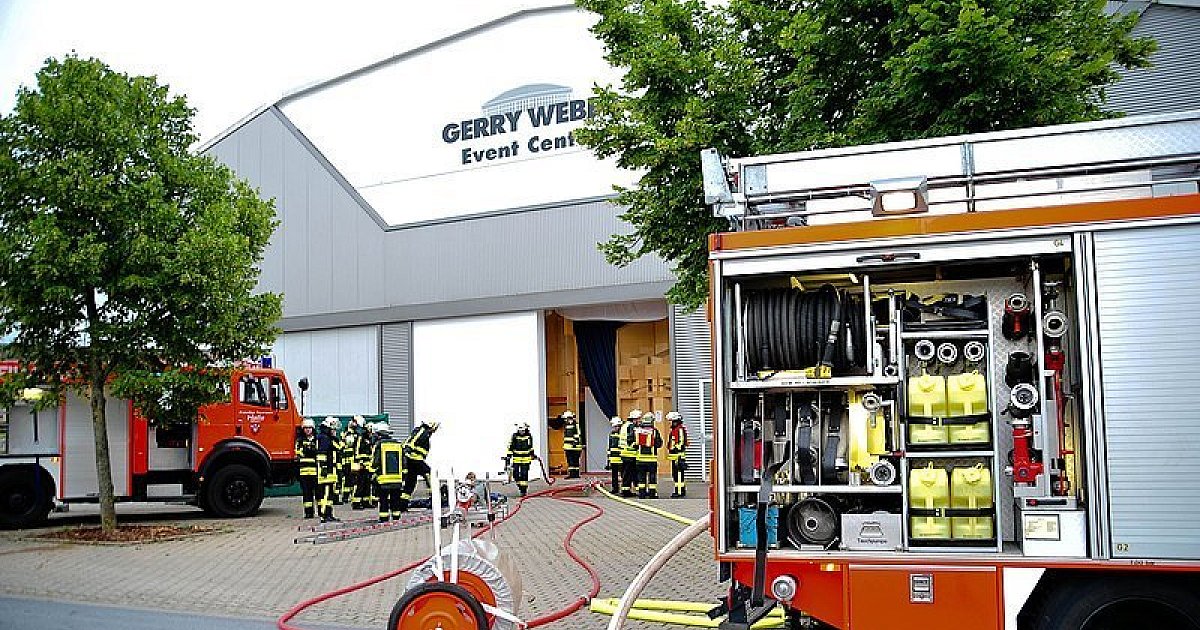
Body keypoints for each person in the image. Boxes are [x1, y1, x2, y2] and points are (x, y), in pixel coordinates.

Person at [399, 419, 439, 511]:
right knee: (429, 474)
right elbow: (410, 443)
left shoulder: (424, 433)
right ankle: (434, 498)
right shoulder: (421, 431)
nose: (435, 430)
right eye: (434, 428)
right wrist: (407, 453)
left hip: (413, 460)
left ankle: (402, 505)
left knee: (410, 482)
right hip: (414, 459)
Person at [370, 424, 405, 522]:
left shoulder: (379, 445)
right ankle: (396, 517)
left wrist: (371, 471)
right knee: (395, 499)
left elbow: (375, 461)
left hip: (383, 479)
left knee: (384, 500)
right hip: (397, 479)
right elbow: (403, 461)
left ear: (379, 434)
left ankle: (384, 518)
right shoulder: (398, 444)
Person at [316, 417, 341, 522]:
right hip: (326, 472)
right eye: (333, 429)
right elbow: (322, 454)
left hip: (330, 471)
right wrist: (325, 468)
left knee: (329, 494)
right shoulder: (324, 438)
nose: (334, 431)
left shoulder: (326, 437)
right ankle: (324, 515)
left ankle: (329, 514)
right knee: (326, 494)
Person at [634, 412, 663, 499]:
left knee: (641, 478)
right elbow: (659, 444)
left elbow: (632, 443)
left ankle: (642, 494)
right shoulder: (654, 432)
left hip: (640, 460)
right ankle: (652, 494)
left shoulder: (637, 431)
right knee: (652, 477)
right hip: (651, 460)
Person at [295, 418, 319, 518]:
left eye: (309, 428)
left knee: (318, 493)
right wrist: (308, 451)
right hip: (304, 472)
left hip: (315, 471)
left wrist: (310, 451)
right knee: (306, 493)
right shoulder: (300, 441)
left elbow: (318, 452)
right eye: (306, 428)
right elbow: (298, 453)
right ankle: (308, 512)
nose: (308, 430)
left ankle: (321, 511)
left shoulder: (317, 440)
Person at [352, 419, 375, 509]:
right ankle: (356, 503)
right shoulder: (361, 438)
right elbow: (356, 451)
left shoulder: (370, 439)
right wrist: (360, 462)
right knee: (360, 484)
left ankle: (365, 501)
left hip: (368, 465)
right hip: (361, 465)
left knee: (367, 484)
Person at [506, 423, 534, 496]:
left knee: (524, 474)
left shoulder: (528, 436)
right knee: (515, 474)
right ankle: (520, 486)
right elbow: (510, 446)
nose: (522, 432)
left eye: (523, 430)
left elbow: (530, 446)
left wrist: (532, 454)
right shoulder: (515, 436)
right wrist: (508, 456)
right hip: (516, 458)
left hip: (526, 458)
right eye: (520, 431)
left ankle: (523, 490)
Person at [666, 411, 689, 497]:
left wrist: (676, 449)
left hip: (678, 456)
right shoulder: (676, 429)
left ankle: (679, 492)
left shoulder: (679, 429)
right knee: (676, 475)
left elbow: (681, 441)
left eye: (672, 421)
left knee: (678, 475)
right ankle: (680, 490)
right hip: (675, 456)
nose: (671, 423)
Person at [619, 409, 640, 497]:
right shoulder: (631, 426)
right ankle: (627, 492)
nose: (639, 421)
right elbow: (631, 439)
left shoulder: (624, 425)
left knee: (627, 473)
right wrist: (636, 445)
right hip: (630, 454)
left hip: (624, 453)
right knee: (630, 473)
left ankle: (626, 490)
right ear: (634, 419)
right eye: (638, 419)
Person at [561, 411, 584, 479]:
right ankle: (571, 474)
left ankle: (576, 474)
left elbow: (578, 435)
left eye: (566, 419)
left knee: (575, 461)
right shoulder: (566, 425)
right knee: (570, 461)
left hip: (575, 447)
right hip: (568, 447)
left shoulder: (576, 425)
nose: (565, 420)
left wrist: (575, 443)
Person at [606, 416, 623, 494]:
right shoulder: (611, 434)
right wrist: (608, 460)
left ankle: (624, 489)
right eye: (614, 426)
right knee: (614, 475)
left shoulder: (623, 434)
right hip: (613, 458)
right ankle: (615, 489)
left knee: (623, 475)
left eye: (616, 426)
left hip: (621, 458)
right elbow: (609, 447)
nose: (615, 428)